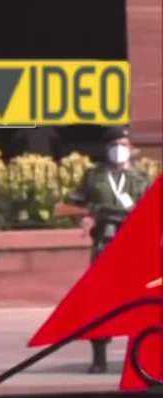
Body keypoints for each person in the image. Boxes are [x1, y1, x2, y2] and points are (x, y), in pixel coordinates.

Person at [64, 125, 151, 373]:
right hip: (105, 244)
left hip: (135, 247)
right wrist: (86, 217)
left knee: (140, 303)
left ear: (131, 148)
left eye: (123, 144)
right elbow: (71, 205)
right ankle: (99, 357)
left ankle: (143, 355)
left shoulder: (141, 179)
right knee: (100, 303)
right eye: (115, 145)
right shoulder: (94, 177)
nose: (119, 149)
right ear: (106, 148)